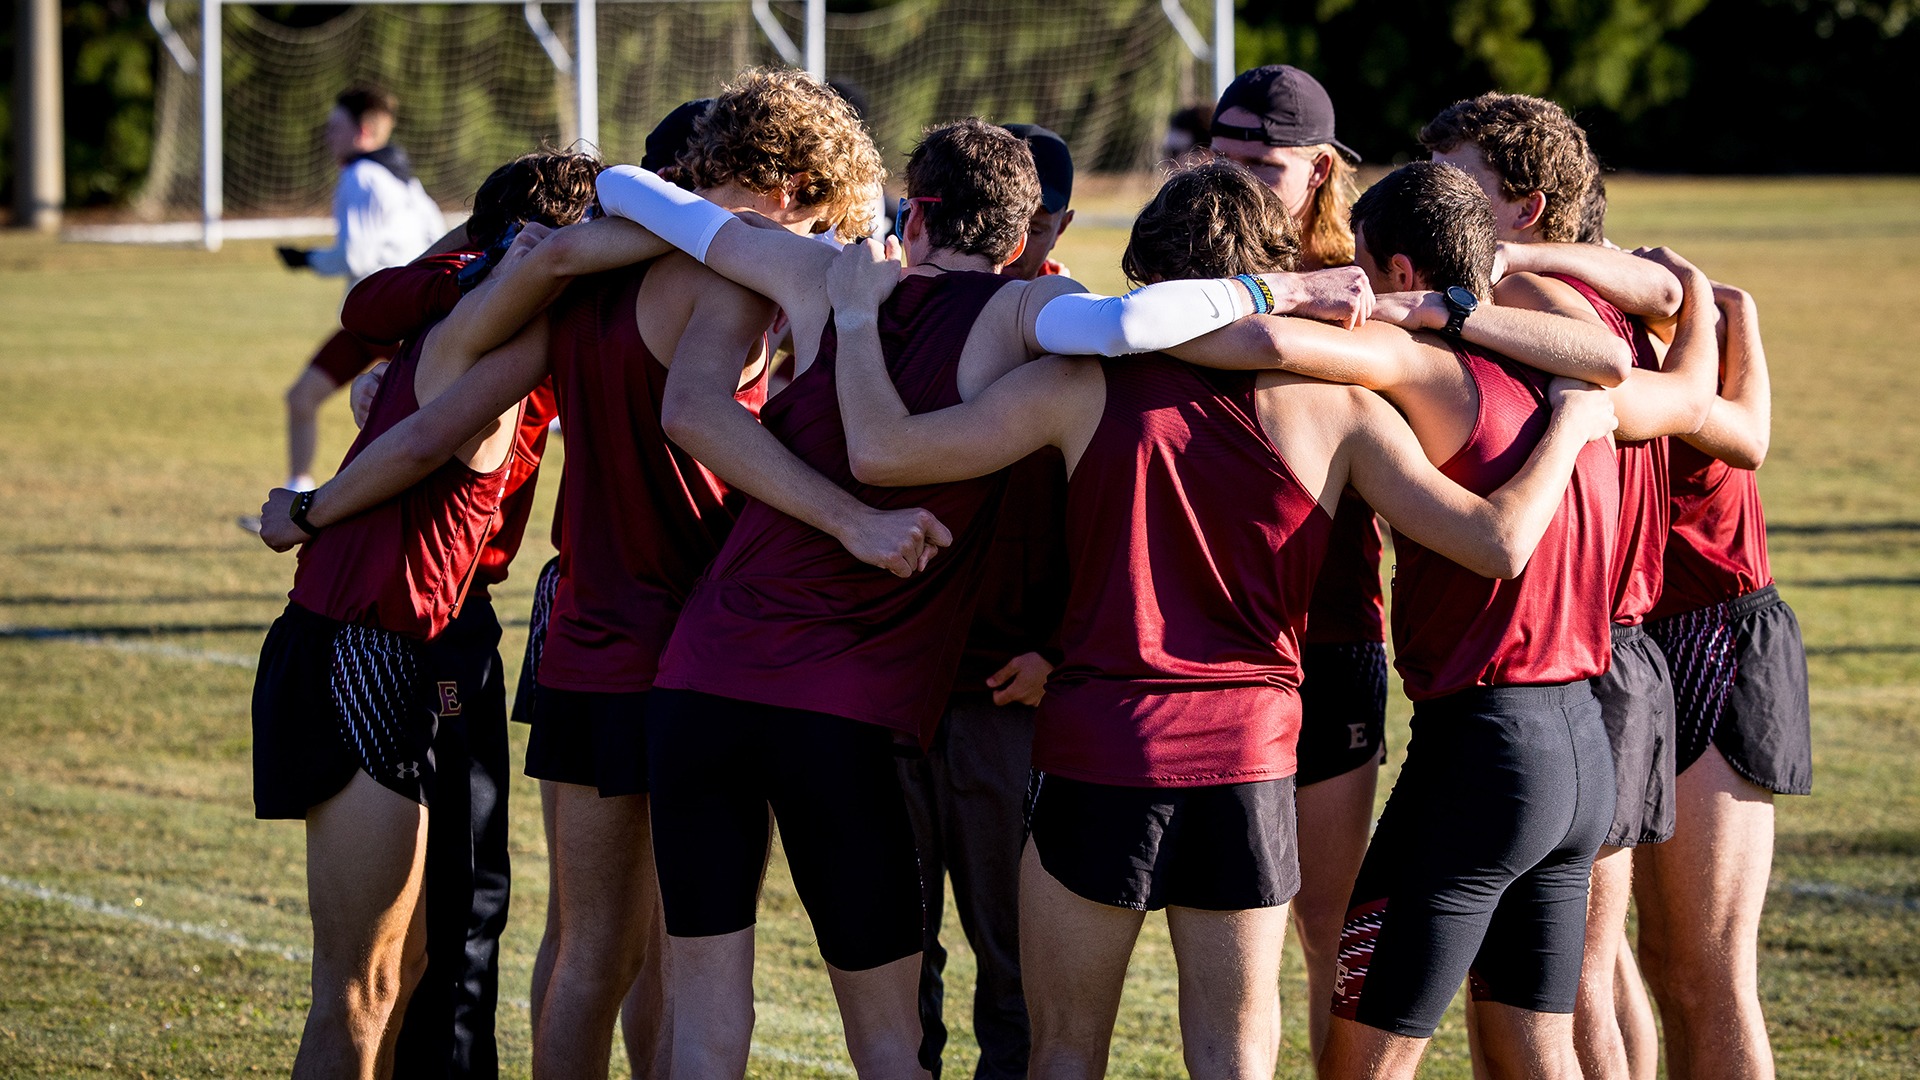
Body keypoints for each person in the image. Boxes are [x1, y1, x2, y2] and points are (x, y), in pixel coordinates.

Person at [592, 116, 1377, 1077]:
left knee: (707, 1028)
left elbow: (627, 185)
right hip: (839, 711)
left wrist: (807, 272)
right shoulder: (1020, 315)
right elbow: (1137, 325)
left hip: (698, 684)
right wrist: (1284, 287)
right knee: (887, 1043)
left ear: (912, 213)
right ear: (1021, 242)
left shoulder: (815, 273)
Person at [821, 159, 1621, 1080]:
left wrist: (849, 318)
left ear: (1151, 271)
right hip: (1248, 758)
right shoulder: (1340, 406)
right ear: (1271, 266)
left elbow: (885, 455)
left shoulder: (1078, 382)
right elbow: (1496, 544)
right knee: (1234, 1061)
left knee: (1064, 1054)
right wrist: (1571, 423)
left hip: (1101, 749)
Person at [258, 71, 910, 1079]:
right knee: (665, 951)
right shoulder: (730, 271)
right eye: (819, 214)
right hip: (678, 637)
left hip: (573, 626)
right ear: (788, 189)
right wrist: (845, 519)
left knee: (577, 945)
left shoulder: (583, 278)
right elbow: (688, 412)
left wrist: (321, 487)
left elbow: (426, 404)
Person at [1166, 161, 1625, 1079]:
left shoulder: (1416, 362)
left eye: (1364, 273)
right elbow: (1617, 355)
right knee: (1535, 1047)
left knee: (1363, 1062)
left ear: (1405, 273)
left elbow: (1247, 337)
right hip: (1583, 742)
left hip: (1485, 754)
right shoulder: (1562, 365)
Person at [1419, 90, 1728, 1080]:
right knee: (1589, 977)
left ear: (1524, 207)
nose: (1436, 201)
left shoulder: (1545, 313)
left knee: (1572, 984)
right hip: (1597, 661)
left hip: (1588, 662)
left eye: (1458, 185)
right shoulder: (1604, 296)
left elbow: (1660, 357)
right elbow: (1674, 304)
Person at [332, 148, 601, 1080]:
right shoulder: (484, 303)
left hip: (447, 613)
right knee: (462, 897)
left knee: (464, 895)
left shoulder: (497, 300)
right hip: (427, 619)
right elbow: (370, 317)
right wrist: (488, 248)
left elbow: (369, 312)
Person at [248, 198, 526, 1079]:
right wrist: (306, 510)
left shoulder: (449, 311)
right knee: (365, 989)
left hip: (392, 634)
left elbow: (369, 306)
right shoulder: (493, 328)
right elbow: (421, 440)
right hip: (375, 643)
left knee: (413, 964)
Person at [1208, 63, 1392, 1065]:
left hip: (1328, 638)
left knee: (1327, 922)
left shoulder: (1373, 276)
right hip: (1204, 647)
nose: (1238, 180)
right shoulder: (1180, 269)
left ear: (1320, 170)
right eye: (1224, 156)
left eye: (1264, 165)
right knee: (1234, 931)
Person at [896, 118, 1079, 1080]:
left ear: (1050, 224)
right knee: (895, 958)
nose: (1026, 239)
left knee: (1016, 967)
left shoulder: (1080, 336)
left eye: (1044, 220)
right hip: (901, 687)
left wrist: (1061, 651)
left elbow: (1111, 527)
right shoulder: (896, 313)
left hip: (1008, 693)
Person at [1637, 284, 1806, 1080]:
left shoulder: (1670, 306)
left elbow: (1747, 436)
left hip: (1713, 630)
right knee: (1654, 962)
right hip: (1620, 643)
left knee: (1704, 970)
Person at [275, 84, 445, 493]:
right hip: (393, 318)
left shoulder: (361, 175)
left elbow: (355, 257)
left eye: (335, 126)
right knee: (302, 398)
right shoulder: (408, 182)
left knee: (429, 416)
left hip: (390, 320)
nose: (327, 135)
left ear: (363, 132)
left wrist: (306, 260)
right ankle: (297, 493)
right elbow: (439, 238)